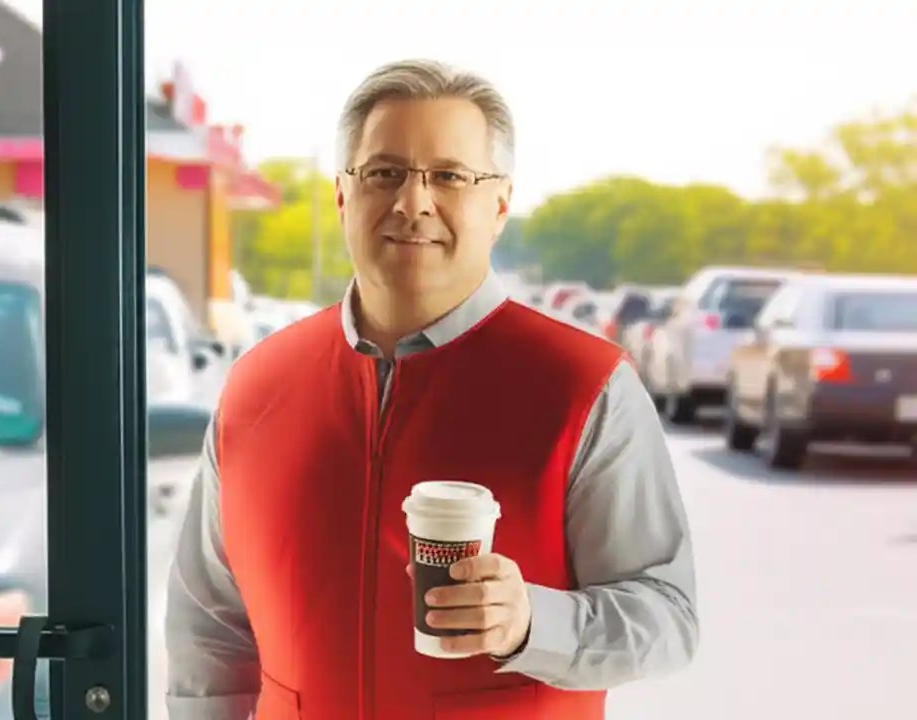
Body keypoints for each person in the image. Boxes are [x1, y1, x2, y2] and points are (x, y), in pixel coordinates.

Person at [166, 58, 698, 720]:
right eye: (384, 172)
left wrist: (533, 621)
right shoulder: (257, 384)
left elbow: (668, 617)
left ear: (498, 204)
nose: (412, 202)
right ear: (342, 195)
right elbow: (209, 630)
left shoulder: (584, 385)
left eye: (449, 176)